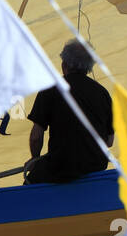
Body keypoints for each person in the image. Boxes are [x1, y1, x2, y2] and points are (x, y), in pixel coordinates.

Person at [24, 39, 113, 183]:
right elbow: (109, 141)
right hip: (96, 166)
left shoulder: (50, 90)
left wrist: (35, 159)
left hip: (61, 167)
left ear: (64, 64)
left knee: (29, 185)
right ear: (89, 67)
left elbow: (36, 137)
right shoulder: (103, 93)